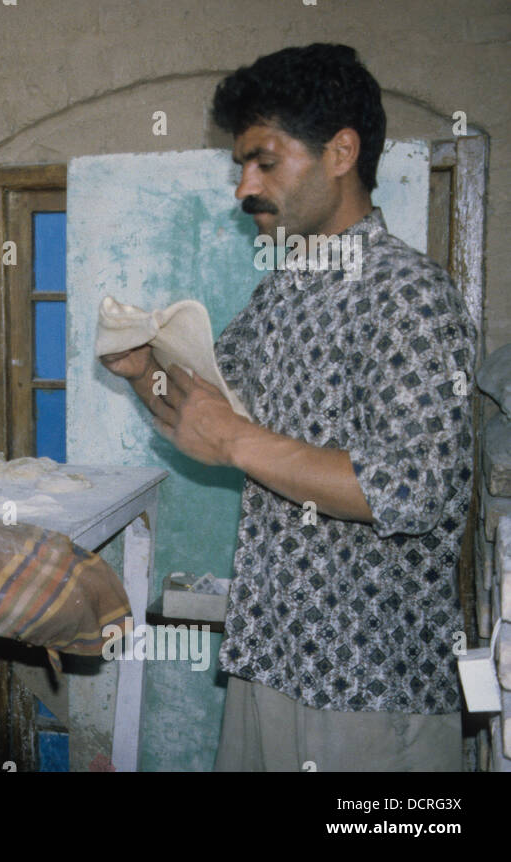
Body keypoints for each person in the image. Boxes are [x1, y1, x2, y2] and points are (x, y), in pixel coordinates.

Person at [101, 44, 475, 771]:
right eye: (240, 165)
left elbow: (412, 490)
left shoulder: (409, 294)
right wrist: (144, 371)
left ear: (341, 153)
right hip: (270, 659)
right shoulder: (285, 290)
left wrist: (237, 440)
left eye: (264, 162)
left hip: (369, 689)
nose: (244, 187)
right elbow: (206, 415)